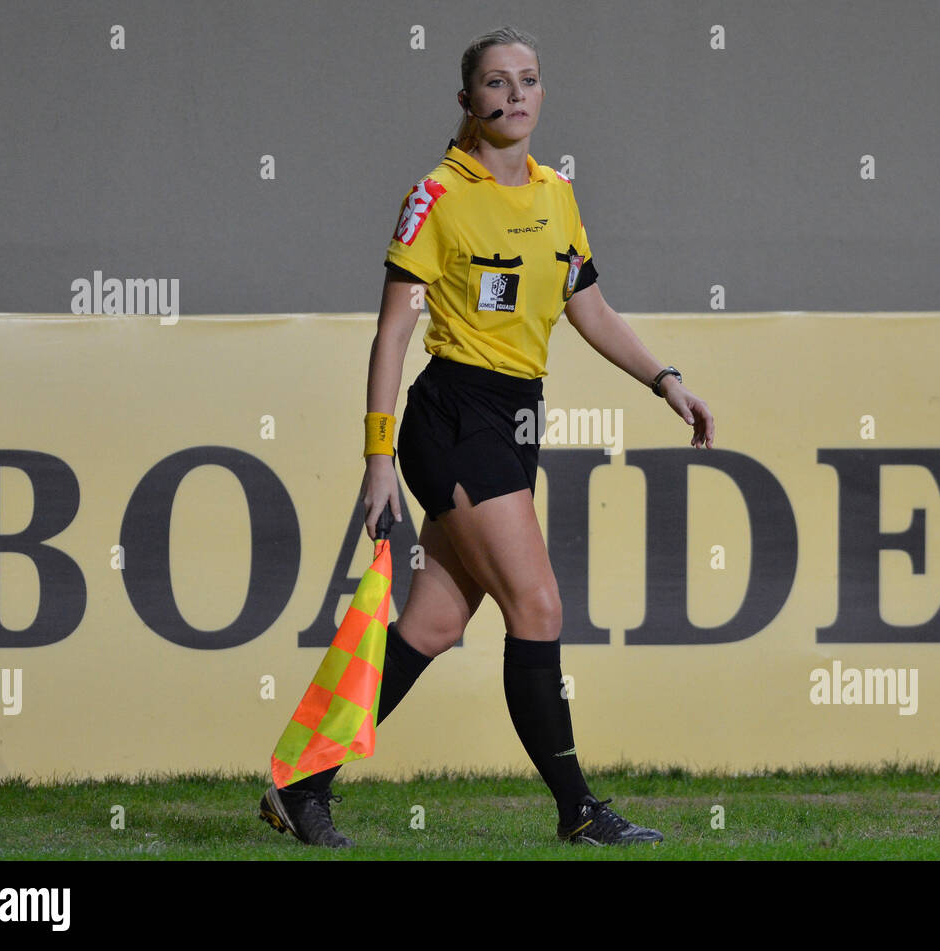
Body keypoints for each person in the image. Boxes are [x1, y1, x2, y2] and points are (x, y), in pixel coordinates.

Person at [260, 25, 714, 848]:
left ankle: (300, 783)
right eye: (496, 83)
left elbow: (588, 308)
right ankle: (578, 809)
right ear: (467, 101)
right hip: (454, 419)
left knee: (431, 626)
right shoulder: (438, 193)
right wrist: (376, 457)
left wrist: (665, 380)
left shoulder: (556, 193)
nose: (515, 95)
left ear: (543, 95)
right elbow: (392, 332)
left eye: (529, 80)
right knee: (536, 604)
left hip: (515, 419)